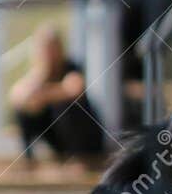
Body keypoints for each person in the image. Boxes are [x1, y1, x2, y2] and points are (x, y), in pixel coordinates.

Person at [9, 26, 106, 159]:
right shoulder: (40, 73)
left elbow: (74, 90)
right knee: (23, 111)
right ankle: (28, 159)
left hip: (86, 140)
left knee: (64, 105)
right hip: (57, 137)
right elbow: (17, 96)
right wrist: (41, 77)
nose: (49, 54)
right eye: (45, 49)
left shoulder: (72, 67)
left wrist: (42, 94)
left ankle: (78, 159)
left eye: (52, 49)